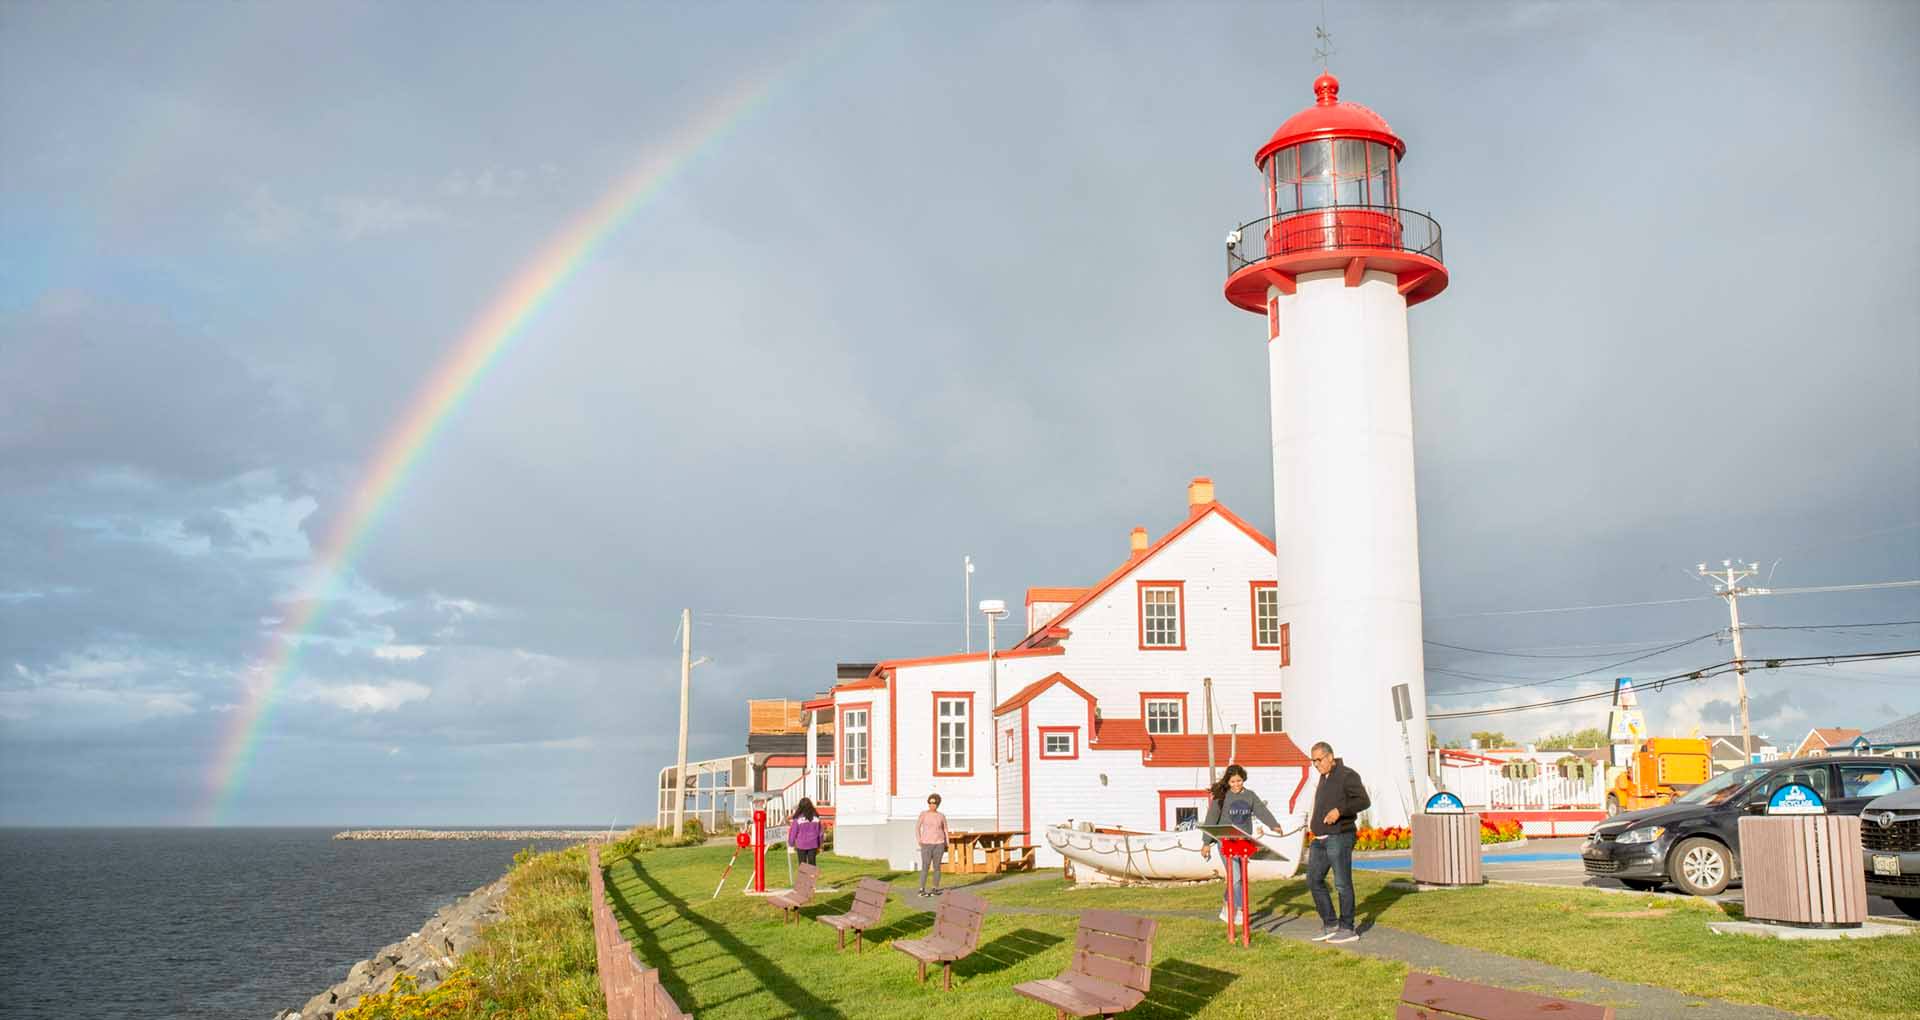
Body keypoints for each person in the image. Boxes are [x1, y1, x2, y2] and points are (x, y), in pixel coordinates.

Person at [1199, 763, 1282, 925]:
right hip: (1225, 841)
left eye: (1239, 781)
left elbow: (1261, 810)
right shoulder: (1221, 797)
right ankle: (1239, 909)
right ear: (1228, 782)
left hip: (1243, 842)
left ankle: (1226, 904)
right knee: (1236, 876)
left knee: (1239, 878)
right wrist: (1206, 843)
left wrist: (1273, 824)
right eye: (1233, 782)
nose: (1236, 784)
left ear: (1243, 779)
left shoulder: (1250, 796)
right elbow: (1211, 819)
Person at [1304, 740, 1369, 944]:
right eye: (1313, 761)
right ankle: (1331, 924)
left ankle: (1348, 928)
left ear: (1330, 757)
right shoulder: (1323, 778)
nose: (1316, 764)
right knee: (1313, 880)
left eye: (1319, 760)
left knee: (1342, 884)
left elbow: (1363, 801)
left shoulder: (1347, 775)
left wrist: (1340, 811)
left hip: (1340, 836)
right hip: (1320, 839)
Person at [915, 793, 949, 896]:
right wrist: (919, 840)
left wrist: (947, 842)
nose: (931, 805)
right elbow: (917, 827)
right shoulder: (923, 814)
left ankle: (935, 888)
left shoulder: (941, 816)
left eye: (934, 803)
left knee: (937, 867)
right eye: (930, 803)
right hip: (926, 844)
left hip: (939, 844)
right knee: (925, 866)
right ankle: (921, 889)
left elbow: (945, 829)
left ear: (938, 804)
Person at [789, 798, 823, 867]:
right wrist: (820, 845)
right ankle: (811, 874)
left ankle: (804, 874)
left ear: (800, 807)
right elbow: (820, 833)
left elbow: (793, 832)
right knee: (812, 864)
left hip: (801, 845)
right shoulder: (816, 819)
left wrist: (791, 844)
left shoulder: (797, 819)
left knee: (802, 865)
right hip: (813, 844)